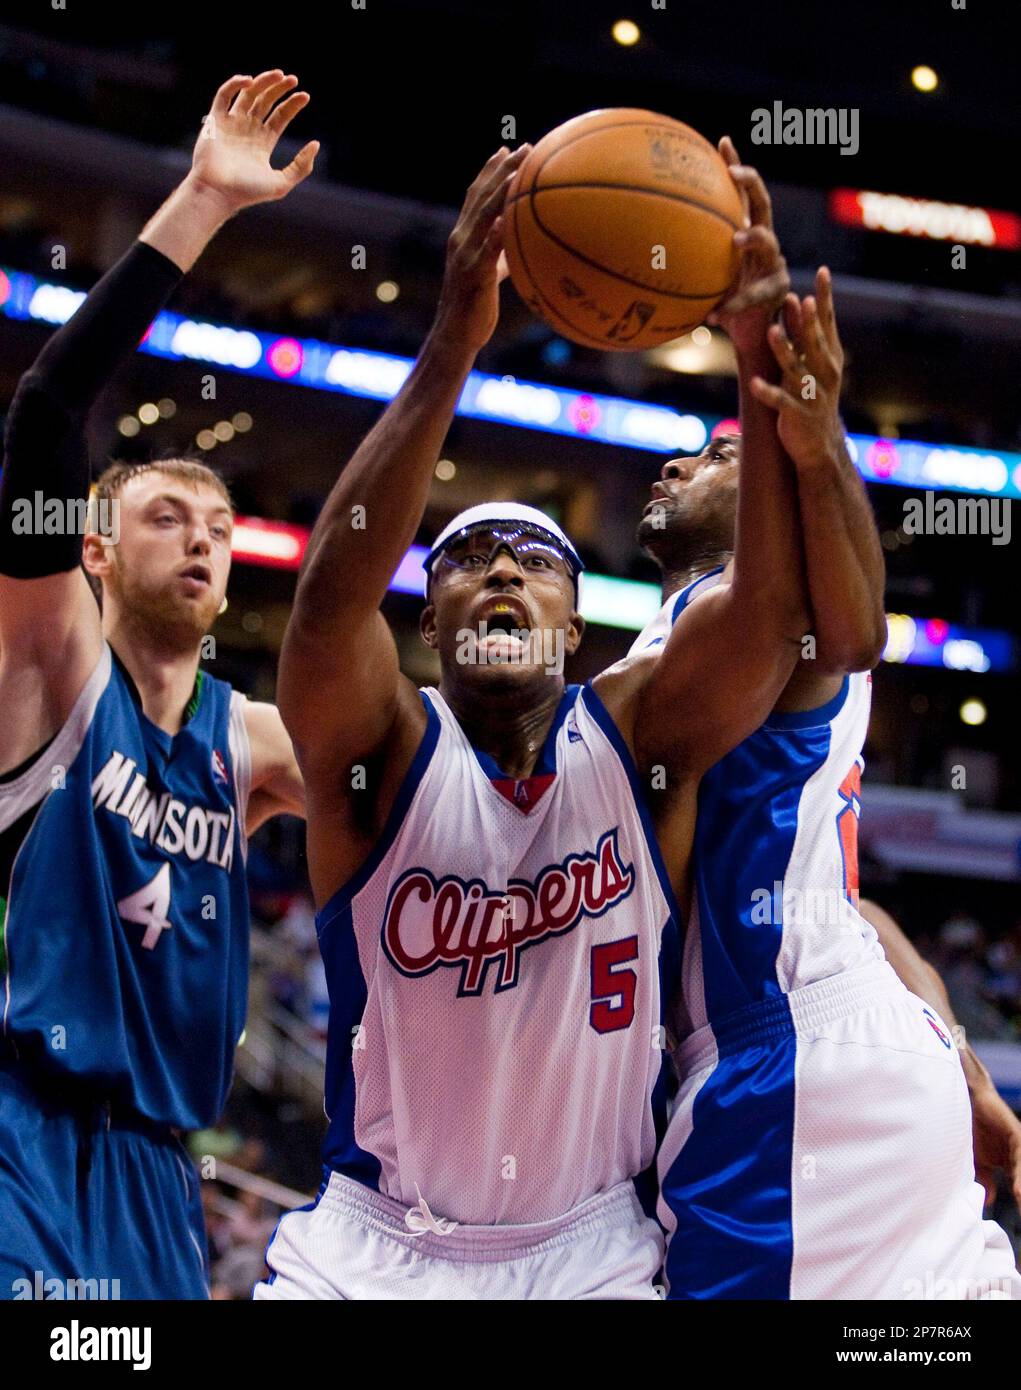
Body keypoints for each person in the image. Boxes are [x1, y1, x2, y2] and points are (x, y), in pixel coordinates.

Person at [261, 141, 807, 1300]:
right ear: (427, 616)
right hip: (371, 1245)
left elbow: (766, 616)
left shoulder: (637, 737)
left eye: (534, 561)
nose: (500, 570)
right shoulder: (380, 751)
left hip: (590, 1250)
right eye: (464, 559)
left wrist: (761, 367)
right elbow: (323, 610)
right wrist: (454, 338)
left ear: (573, 625)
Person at [632, 251, 1020, 1299]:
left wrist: (805, 434)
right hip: (875, 1042)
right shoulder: (705, 641)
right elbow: (848, 908)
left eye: (715, 453)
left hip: (782, 1068)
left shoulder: (746, 626)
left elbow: (851, 619)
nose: (674, 465)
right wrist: (965, 1062)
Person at [0, 70, 312, 1299]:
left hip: (158, 1180)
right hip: (20, 1127)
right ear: (92, 550)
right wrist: (200, 201)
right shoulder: (51, 670)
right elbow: (40, 417)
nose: (198, 539)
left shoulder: (260, 747)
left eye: (218, 528)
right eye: (165, 515)